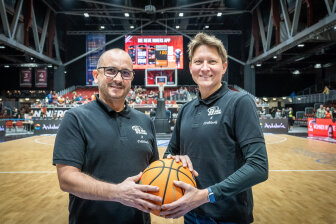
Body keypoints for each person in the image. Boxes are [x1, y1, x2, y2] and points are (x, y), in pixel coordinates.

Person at [160, 33, 268, 223]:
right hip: (191, 213)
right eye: (198, 61)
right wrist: (174, 159)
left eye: (212, 61)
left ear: (224, 67)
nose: (205, 68)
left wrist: (206, 195)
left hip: (227, 217)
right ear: (191, 67)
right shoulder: (185, 109)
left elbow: (259, 167)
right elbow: (169, 154)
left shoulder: (240, 102)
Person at [53, 49, 162, 224]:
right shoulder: (76, 118)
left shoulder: (145, 121)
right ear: (96, 75)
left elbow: (155, 172)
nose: (118, 79)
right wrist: (118, 193)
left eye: (125, 73)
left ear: (131, 78)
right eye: (111, 71)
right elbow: (66, 179)